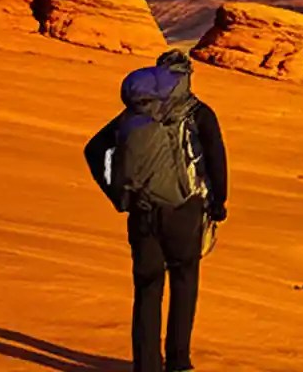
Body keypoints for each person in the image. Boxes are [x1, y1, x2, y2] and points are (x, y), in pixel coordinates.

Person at [84, 49, 228, 372]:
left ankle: (146, 366)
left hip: (142, 211)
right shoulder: (199, 113)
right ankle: (179, 363)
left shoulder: (136, 114)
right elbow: (217, 161)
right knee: (184, 282)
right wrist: (219, 203)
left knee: (148, 289)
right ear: (185, 76)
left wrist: (116, 193)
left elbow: (94, 149)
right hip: (184, 211)